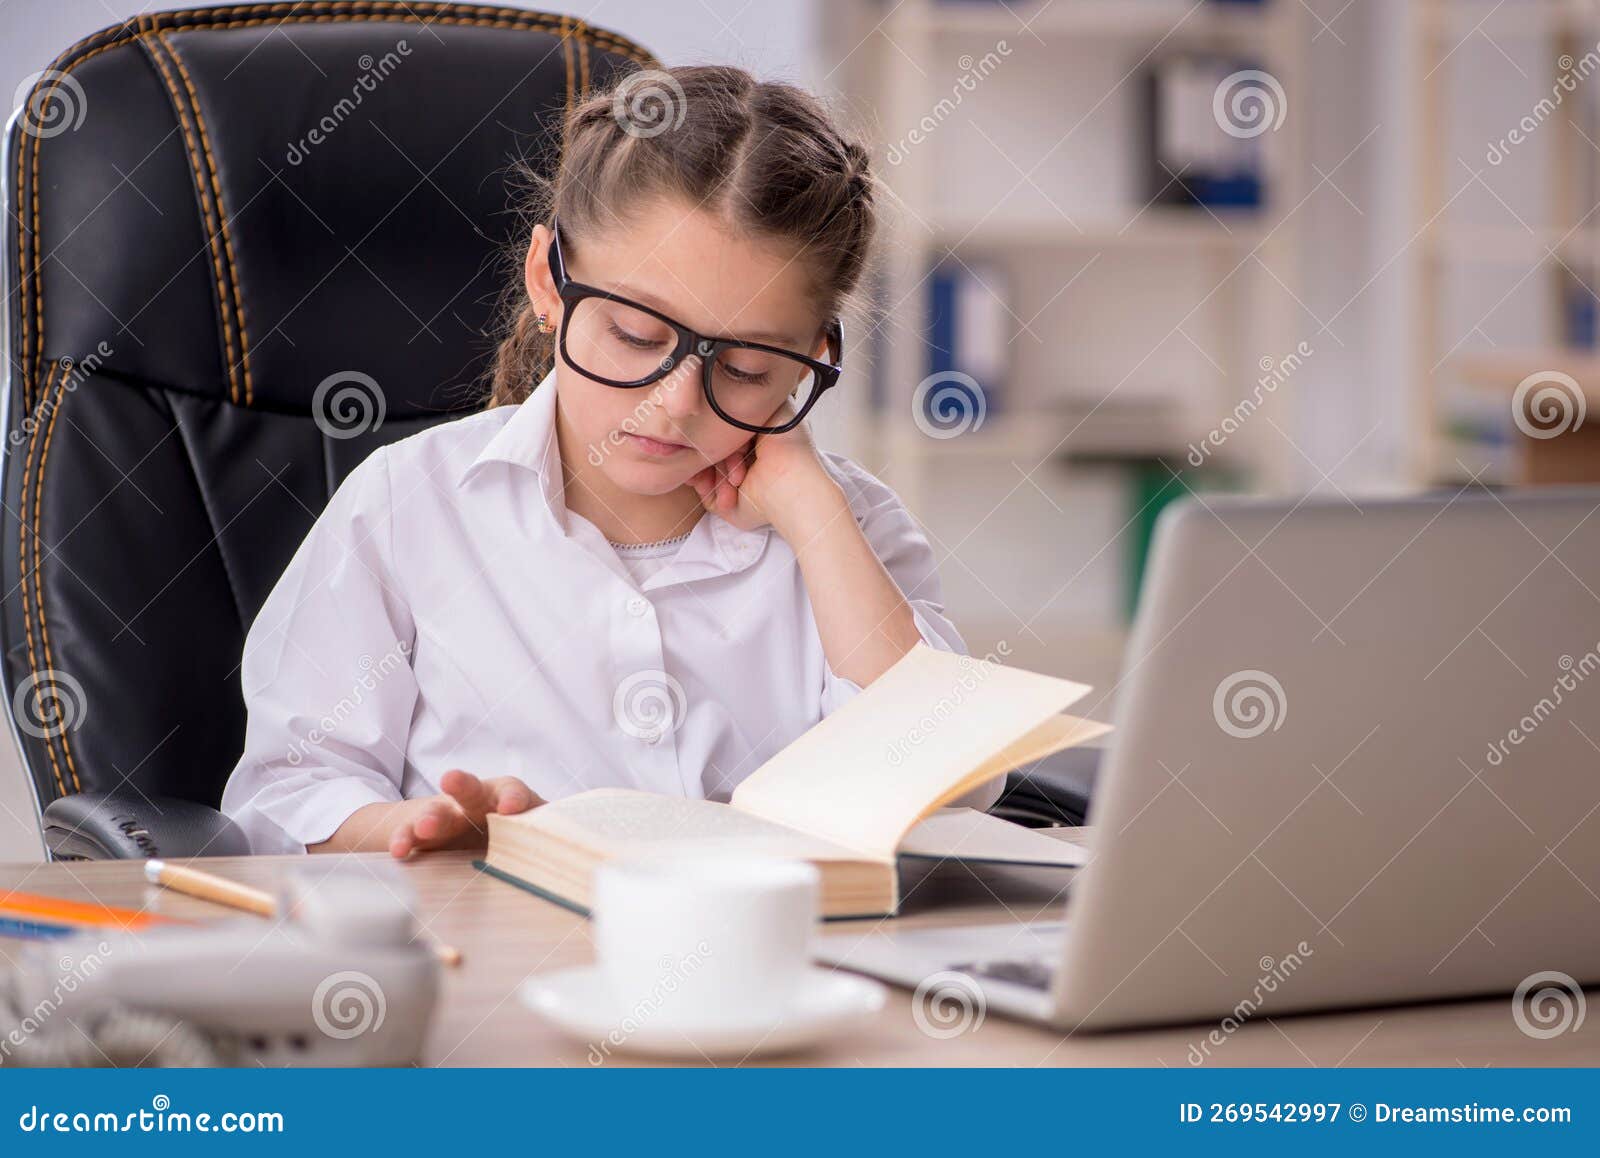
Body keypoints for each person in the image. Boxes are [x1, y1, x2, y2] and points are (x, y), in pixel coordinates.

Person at [219, 64, 996, 857]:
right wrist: (418, 830)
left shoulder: (850, 528)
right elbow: (285, 794)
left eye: (749, 367)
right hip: (493, 964)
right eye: (633, 336)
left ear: (812, 357)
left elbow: (950, 782)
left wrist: (812, 512)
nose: (677, 402)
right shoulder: (406, 505)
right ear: (546, 280)